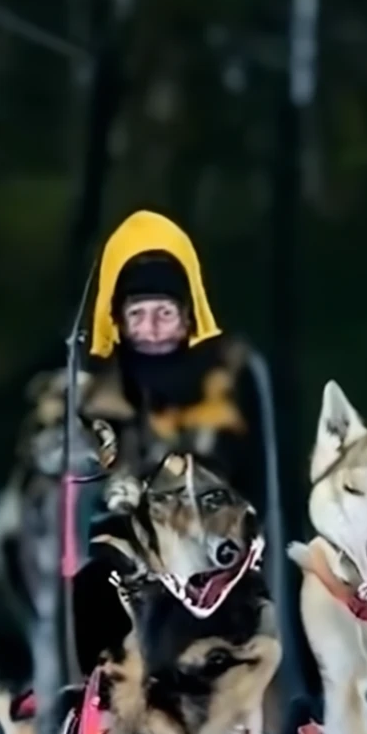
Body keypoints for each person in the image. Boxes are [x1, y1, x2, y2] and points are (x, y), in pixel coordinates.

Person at [72, 209, 268, 514]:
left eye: (165, 313)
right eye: (137, 314)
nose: (151, 329)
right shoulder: (100, 398)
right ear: (118, 322)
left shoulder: (228, 381)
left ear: (187, 318)